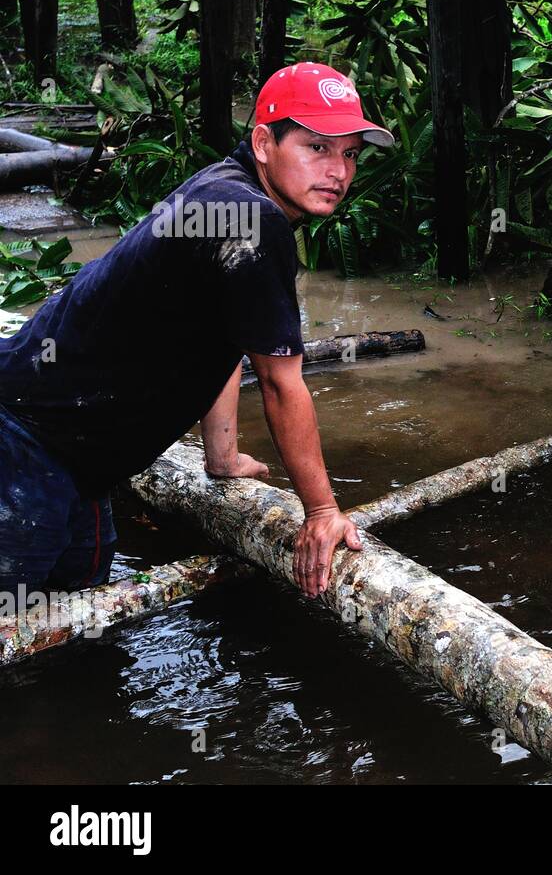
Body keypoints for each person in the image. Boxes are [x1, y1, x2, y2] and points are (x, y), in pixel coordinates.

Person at [0, 63, 394, 598]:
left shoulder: (226, 194)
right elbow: (281, 383)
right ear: (262, 142)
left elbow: (226, 338)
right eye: (317, 148)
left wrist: (223, 457)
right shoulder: (250, 218)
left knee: (77, 616)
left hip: (80, 459)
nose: (338, 171)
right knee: (18, 626)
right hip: (25, 442)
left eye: (349, 153)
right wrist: (322, 510)